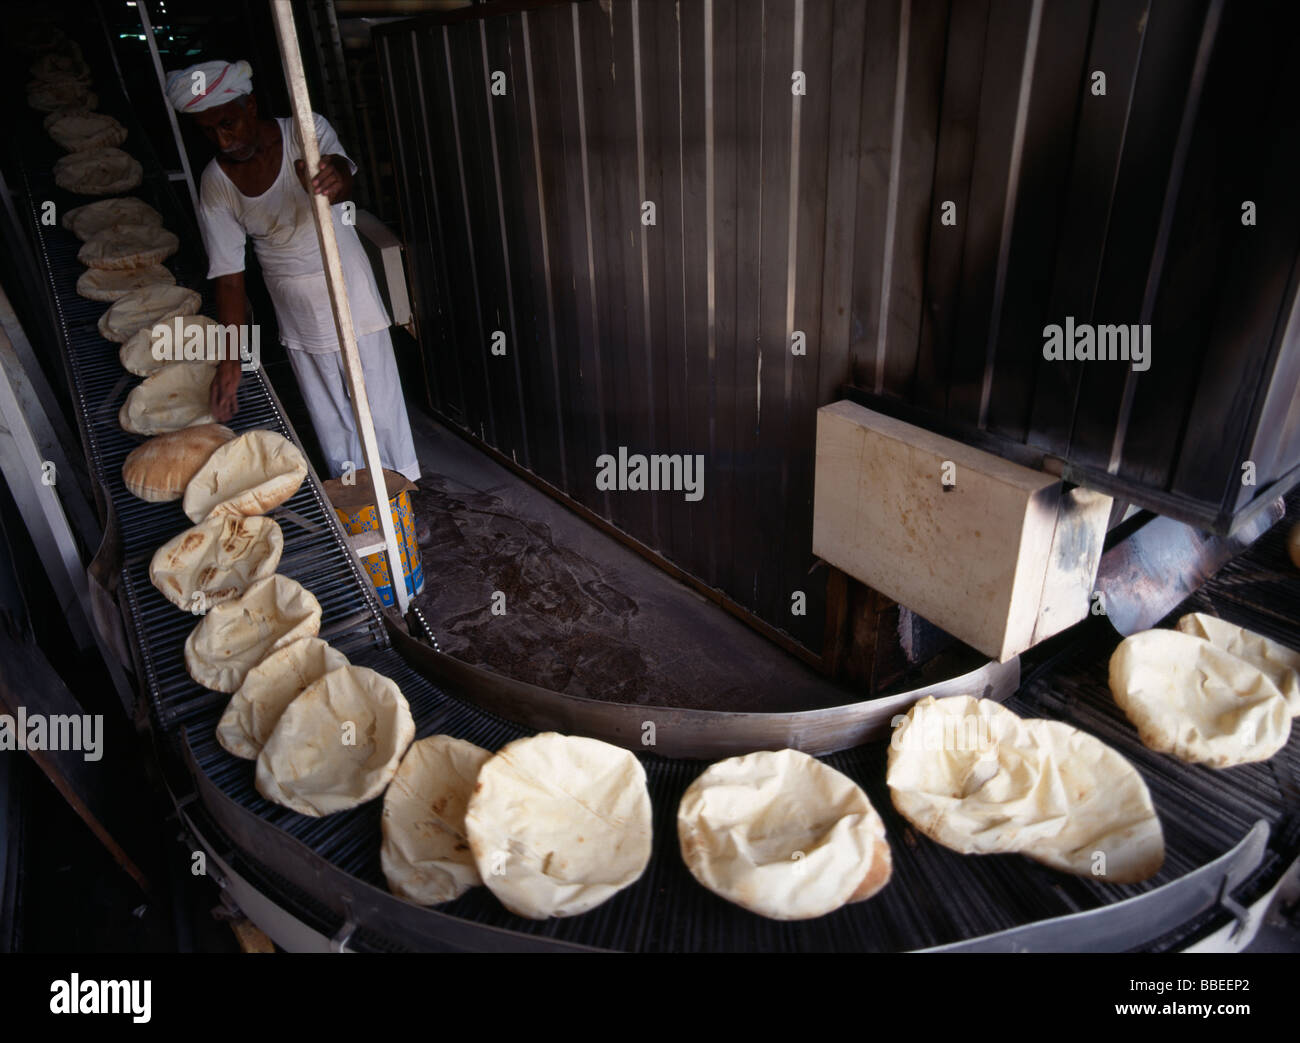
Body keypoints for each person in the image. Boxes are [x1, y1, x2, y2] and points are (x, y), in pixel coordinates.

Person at [165, 59, 421, 483]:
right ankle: (359, 504)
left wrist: (331, 179)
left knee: (378, 402)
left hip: (348, 289)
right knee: (331, 417)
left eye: (228, 123)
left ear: (251, 106)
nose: (223, 139)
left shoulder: (304, 130)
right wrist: (230, 361)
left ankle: (404, 496)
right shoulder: (216, 182)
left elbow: (342, 173)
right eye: (208, 131)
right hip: (294, 307)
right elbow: (229, 277)